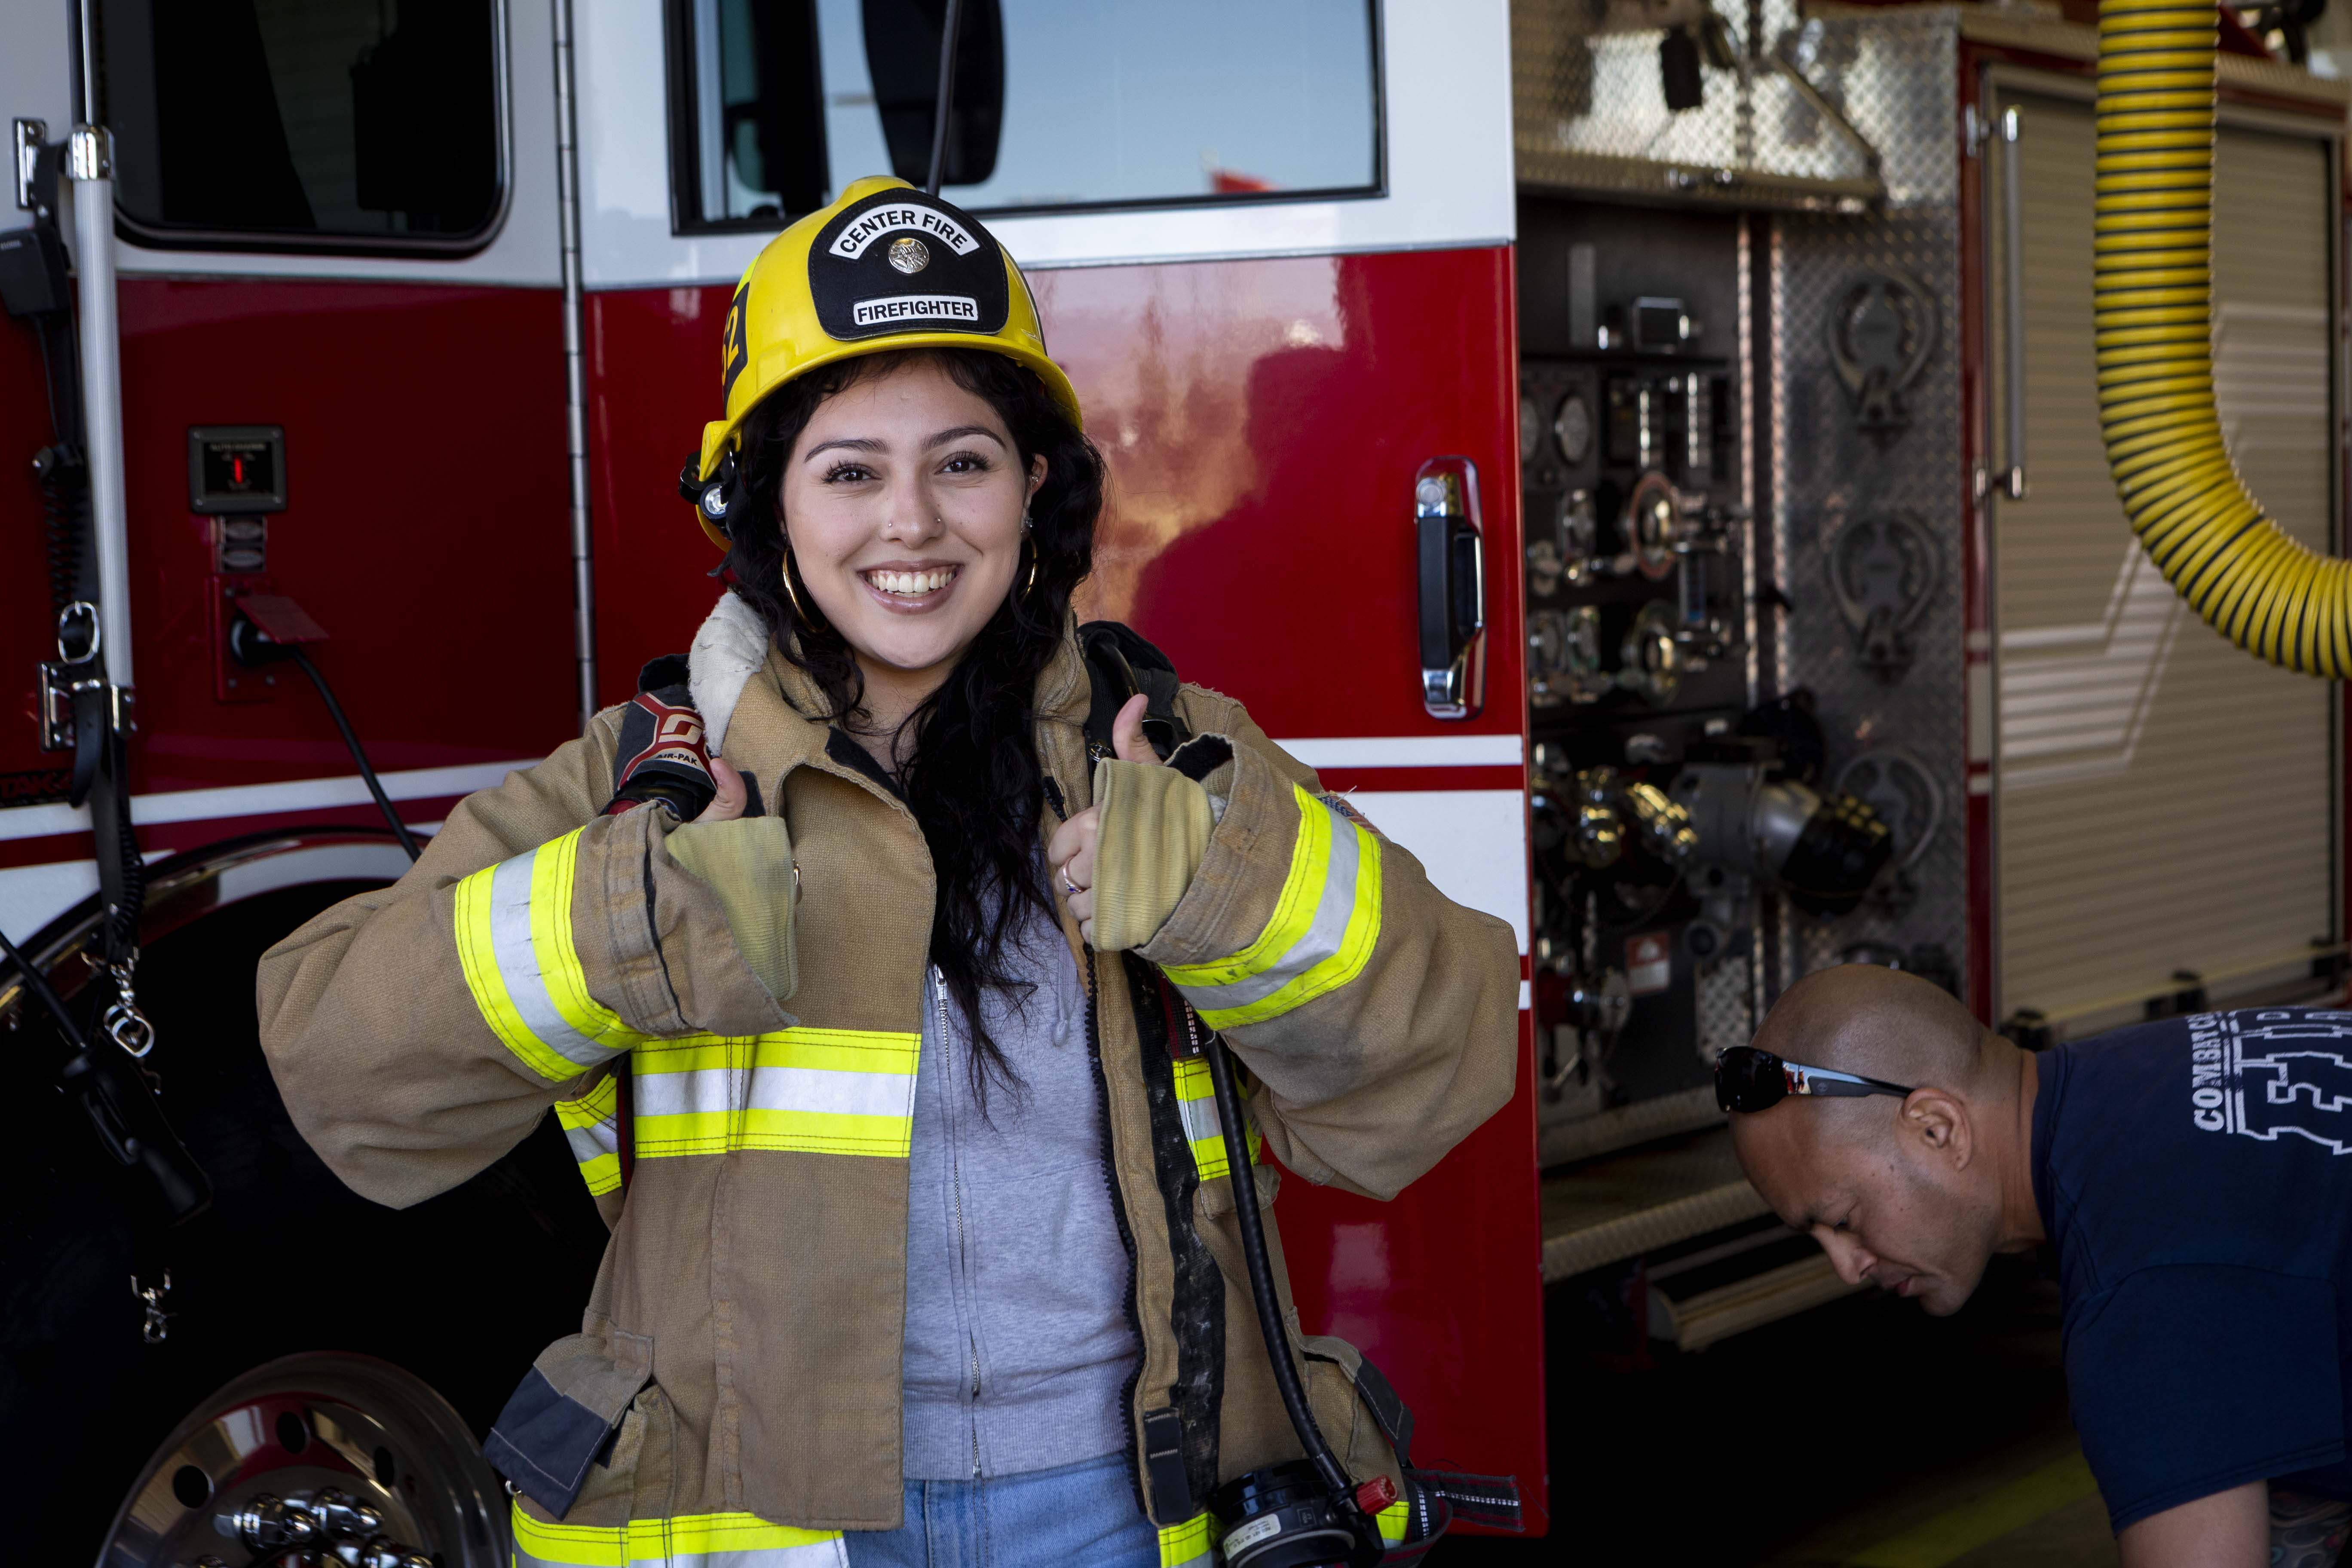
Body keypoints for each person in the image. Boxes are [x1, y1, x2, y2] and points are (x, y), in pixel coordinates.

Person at [254, 176, 1519, 1568]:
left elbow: (1443, 1066)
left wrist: (1227, 891)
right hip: (771, 1532)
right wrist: (635, 925)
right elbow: (339, 1073)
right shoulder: (646, 776)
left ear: (1035, 484)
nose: (909, 522)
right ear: (763, 501)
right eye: (849, 468)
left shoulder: (1168, 750)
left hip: (1122, 1512)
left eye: (961, 461)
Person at [1722, 964, 2352, 1568]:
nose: (1847, 1267)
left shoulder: (2140, 1289)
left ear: (1938, 1128)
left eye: (1843, 1220)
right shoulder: (2143, 1078)